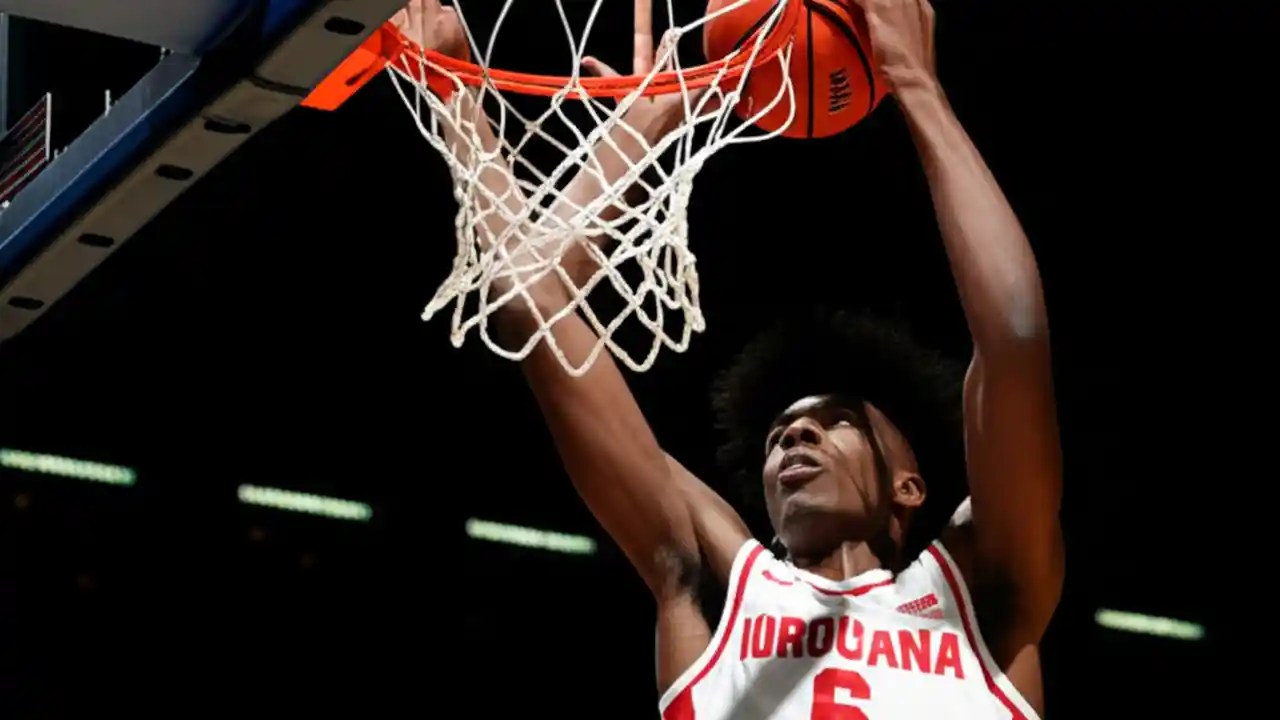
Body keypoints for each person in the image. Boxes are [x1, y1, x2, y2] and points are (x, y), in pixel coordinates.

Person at [400, 0, 1062, 717]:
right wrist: (630, 132)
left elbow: (1015, 334)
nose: (794, 436)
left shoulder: (983, 593)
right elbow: (534, 302)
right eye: (781, 435)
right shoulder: (717, 583)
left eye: (837, 421)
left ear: (911, 486)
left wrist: (917, 87)